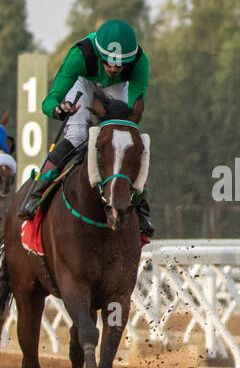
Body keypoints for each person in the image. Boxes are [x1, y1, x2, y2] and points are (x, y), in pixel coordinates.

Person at [17, 20, 154, 238]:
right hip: (84, 82)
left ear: (129, 61)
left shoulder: (140, 62)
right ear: (100, 55)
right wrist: (59, 110)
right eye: (109, 63)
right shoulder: (80, 55)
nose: (113, 69)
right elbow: (48, 102)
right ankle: (36, 192)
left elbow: (135, 108)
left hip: (119, 89)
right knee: (76, 135)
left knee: (124, 140)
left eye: (120, 65)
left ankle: (142, 204)